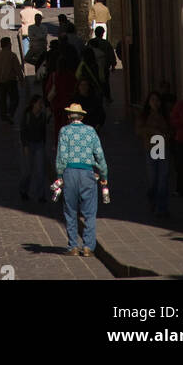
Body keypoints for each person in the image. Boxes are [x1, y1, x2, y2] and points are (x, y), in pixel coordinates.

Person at [55, 101, 108, 256]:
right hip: (87, 174)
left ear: (69, 116)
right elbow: (99, 154)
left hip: (70, 172)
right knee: (89, 212)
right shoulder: (91, 131)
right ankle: (87, 247)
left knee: (70, 211)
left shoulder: (64, 131)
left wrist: (59, 176)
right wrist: (104, 174)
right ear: (82, 117)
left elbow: (61, 157)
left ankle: (72, 246)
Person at [138, 90, 174, 216]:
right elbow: (139, 130)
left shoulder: (165, 115)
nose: (155, 103)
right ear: (148, 102)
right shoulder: (145, 116)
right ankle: (152, 199)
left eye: (157, 100)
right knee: (153, 179)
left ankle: (162, 207)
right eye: (152, 100)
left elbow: (171, 129)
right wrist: (153, 131)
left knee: (163, 178)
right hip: (151, 148)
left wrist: (166, 135)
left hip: (163, 148)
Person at [20, 94, 49, 202]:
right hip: (29, 144)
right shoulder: (27, 115)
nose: (41, 105)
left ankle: (41, 195)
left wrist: (43, 144)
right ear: (34, 104)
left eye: (42, 103)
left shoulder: (42, 116)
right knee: (28, 170)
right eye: (39, 103)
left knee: (40, 170)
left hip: (39, 145)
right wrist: (25, 145)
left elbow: (43, 131)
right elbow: (23, 131)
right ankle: (23, 190)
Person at [0, 36, 24, 122]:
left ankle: (4, 117)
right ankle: (10, 113)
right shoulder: (12, 55)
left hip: (0, 82)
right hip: (10, 81)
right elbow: (17, 69)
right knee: (15, 99)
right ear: (8, 45)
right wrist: (21, 80)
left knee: (2, 102)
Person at [84, 26, 117, 100]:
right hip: (104, 67)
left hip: (92, 67)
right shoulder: (106, 43)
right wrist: (113, 65)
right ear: (102, 34)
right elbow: (111, 54)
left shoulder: (90, 42)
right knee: (105, 83)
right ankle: (107, 97)